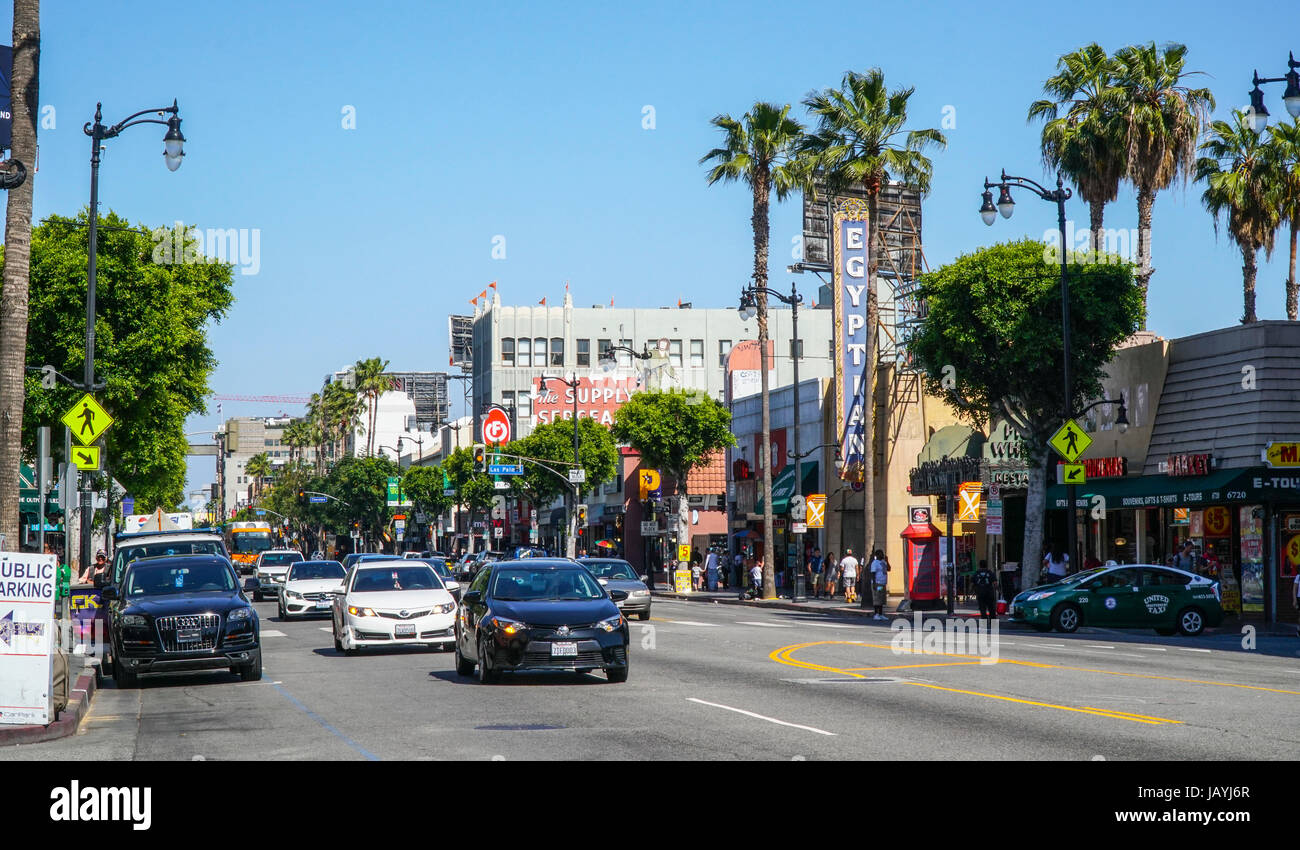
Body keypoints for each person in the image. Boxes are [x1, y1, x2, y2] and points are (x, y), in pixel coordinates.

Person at [868, 549, 890, 620]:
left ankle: (881, 614)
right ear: (876, 555)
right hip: (877, 583)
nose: (882, 555)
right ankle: (876, 614)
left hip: (882, 583)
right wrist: (874, 584)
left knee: (881, 599)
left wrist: (887, 561)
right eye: (880, 554)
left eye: (882, 553)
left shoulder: (883, 562)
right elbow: (873, 573)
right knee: (877, 598)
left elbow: (889, 569)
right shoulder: (875, 563)